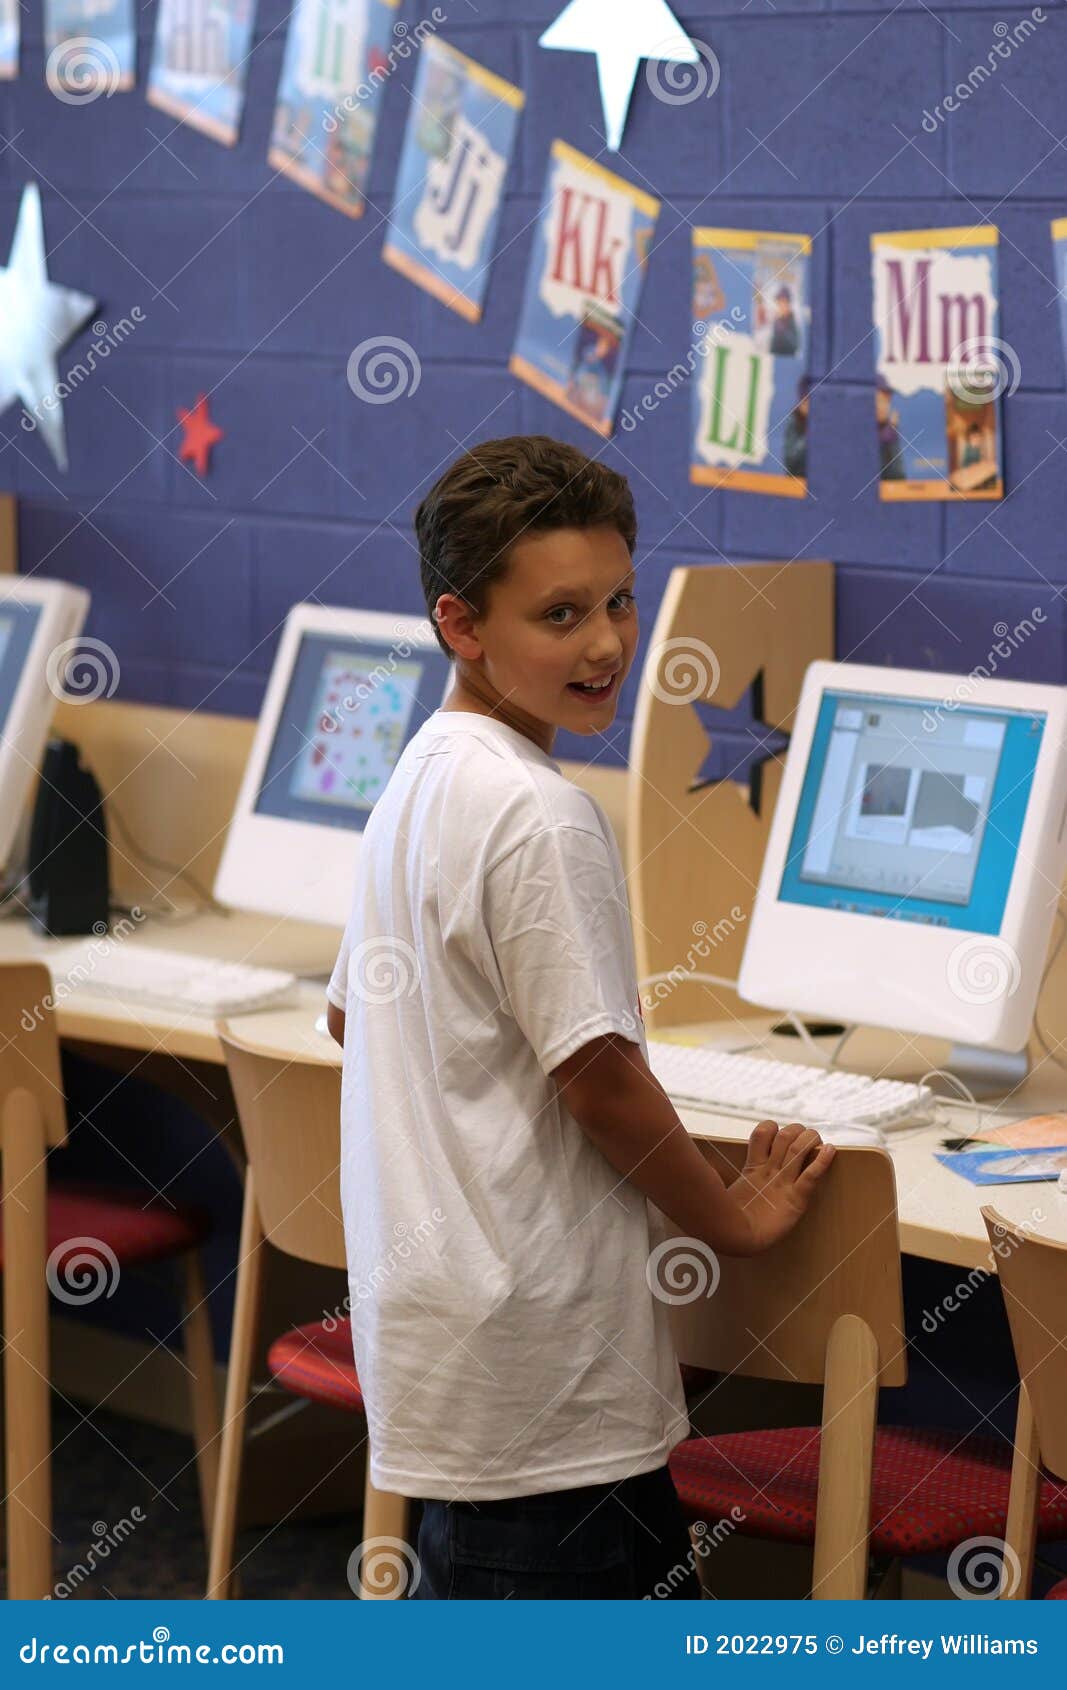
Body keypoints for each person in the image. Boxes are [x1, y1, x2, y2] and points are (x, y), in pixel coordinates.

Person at [325, 435, 835, 1600]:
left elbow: (359, 1022)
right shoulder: (539, 814)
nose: (605, 643)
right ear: (461, 624)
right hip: (543, 1372)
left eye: (617, 600)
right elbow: (596, 1078)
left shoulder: (422, 774)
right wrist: (735, 1219)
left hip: (458, 1349)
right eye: (558, 615)